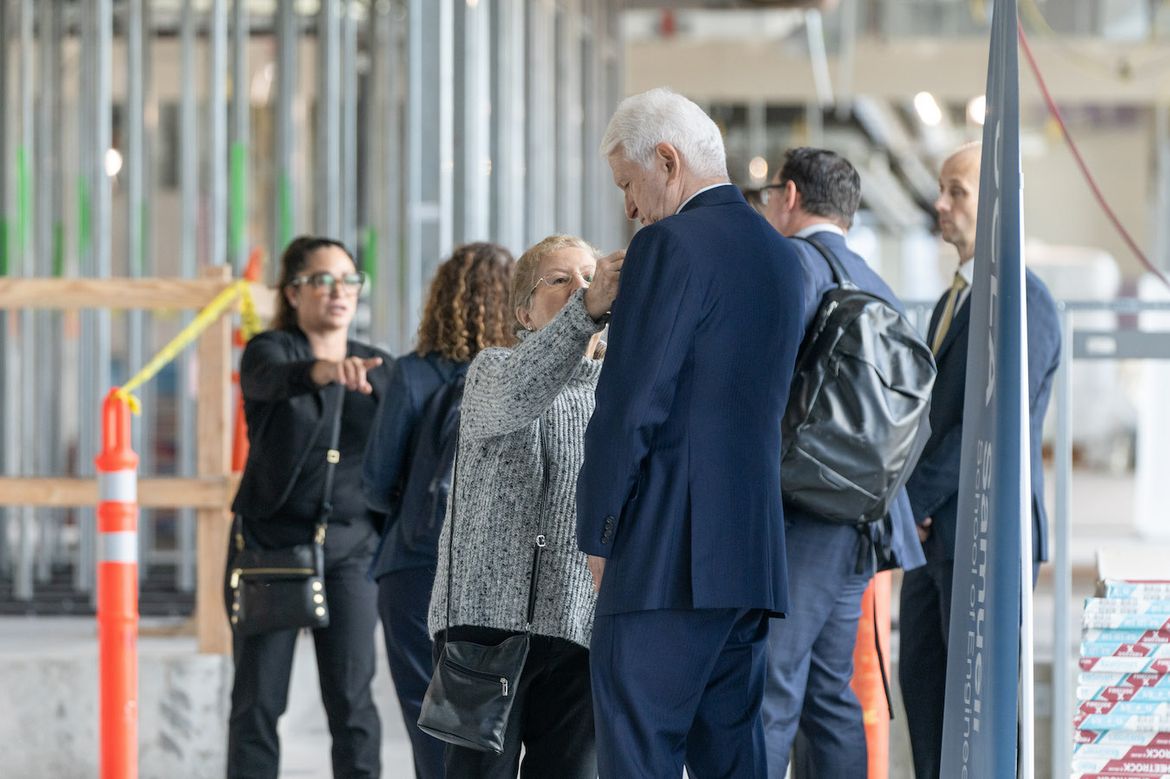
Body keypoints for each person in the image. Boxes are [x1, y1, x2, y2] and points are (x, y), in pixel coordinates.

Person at [577, 87, 806, 778]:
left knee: (638, 755)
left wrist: (599, 531)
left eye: (629, 184)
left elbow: (630, 404)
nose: (629, 208)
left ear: (668, 162)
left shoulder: (667, 245)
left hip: (662, 560)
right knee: (733, 761)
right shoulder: (781, 255)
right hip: (749, 558)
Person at [426, 234, 623, 778]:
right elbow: (524, 391)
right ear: (523, 311)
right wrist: (585, 311)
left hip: (578, 626)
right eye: (560, 281)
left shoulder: (618, 391)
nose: (582, 288)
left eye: (589, 278)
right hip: (484, 630)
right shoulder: (492, 371)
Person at [758, 147, 927, 777]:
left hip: (803, 514)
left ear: (791, 196)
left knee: (771, 686)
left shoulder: (793, 264)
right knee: (829, 694)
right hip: (865, 520)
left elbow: (764, 381)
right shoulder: (875, 281)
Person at [898, 143, 1061, 779]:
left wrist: (912, 507)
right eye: (942, 189)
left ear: (996, 201)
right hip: (934, 538)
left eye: (956, 191)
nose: (940, 204)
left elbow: (986, 431)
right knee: (929, 707)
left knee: (984, 728)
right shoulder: (954, 300)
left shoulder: (1024, 301)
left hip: (985, 537)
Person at [226, 236, 390, 779]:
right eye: (322, 280)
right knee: (258, 704)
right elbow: (268, 380)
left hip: (351, 549)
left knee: (352, 703)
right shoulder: (269, 352)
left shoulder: (380, 367)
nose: (338, 291)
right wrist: (325, 370)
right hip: (271, 545)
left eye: (348, 280)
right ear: (293, 292)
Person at [362, 242, 516, 779]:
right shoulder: (524, 378)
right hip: (495, 573)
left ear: (440, 300)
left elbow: (375, 484)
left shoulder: (412, 373)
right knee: (489, 716)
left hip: (415, 563)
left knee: (425, 714)